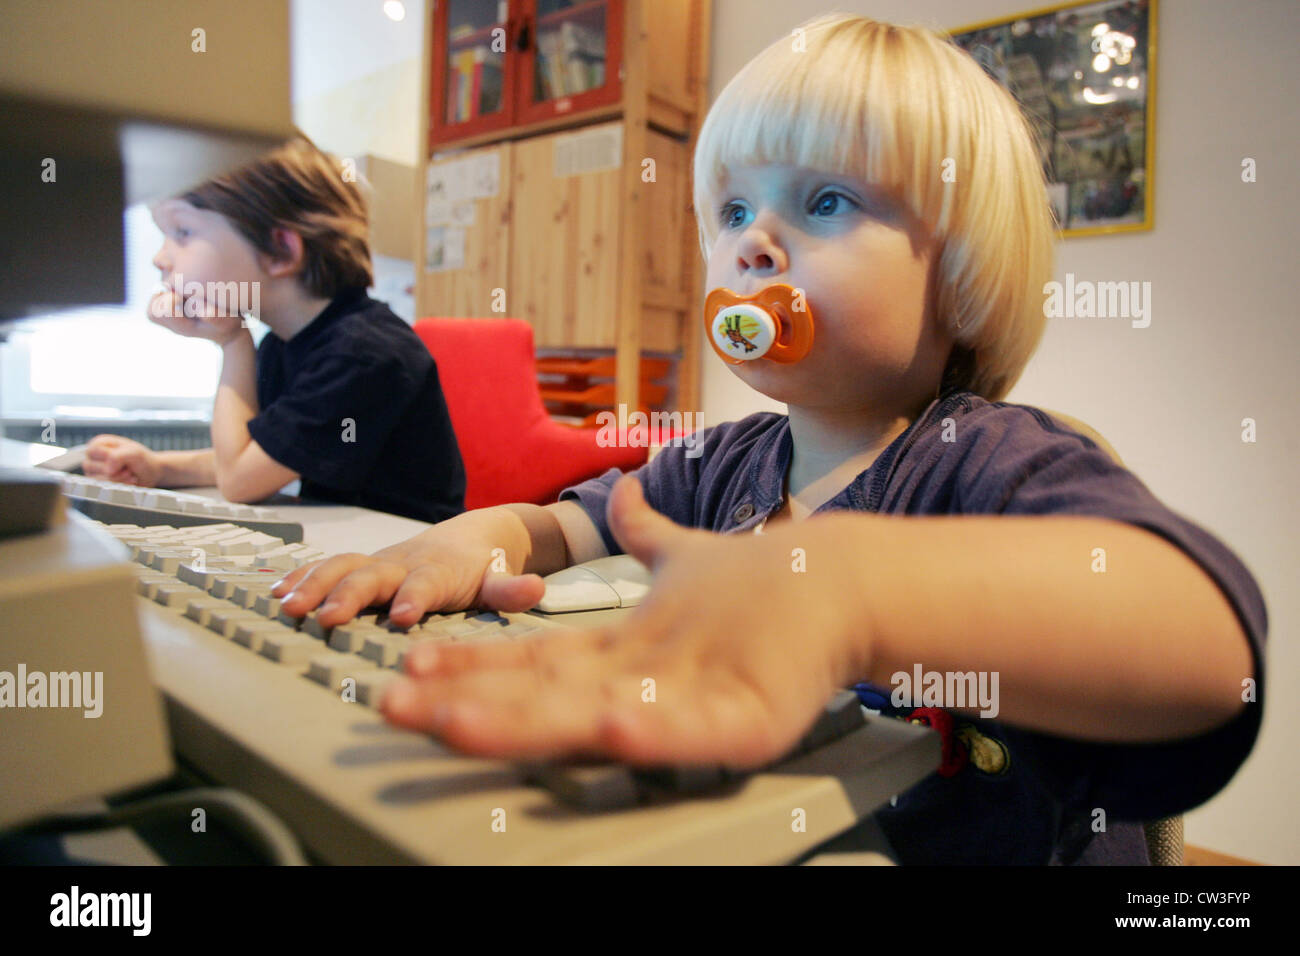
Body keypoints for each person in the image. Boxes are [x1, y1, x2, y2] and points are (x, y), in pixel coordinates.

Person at [270, 16, 1266, 864]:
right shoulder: (723, 462)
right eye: (735, 209)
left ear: (961, 272)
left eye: (827, 201)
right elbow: (569, 526)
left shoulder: (993, 463)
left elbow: (1210, 654)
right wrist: (471, 537)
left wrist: (851, 594)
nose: (752, 243)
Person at [83, 138, 466, 524]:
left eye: (182, 231)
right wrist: (158, 468)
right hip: (354, 539)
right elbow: (260, 457)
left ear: (280, 249)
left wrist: (232, 341)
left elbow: (239, 481)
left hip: (413, 546)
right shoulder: (282, 344)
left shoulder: (364, 352)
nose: (159, 258)